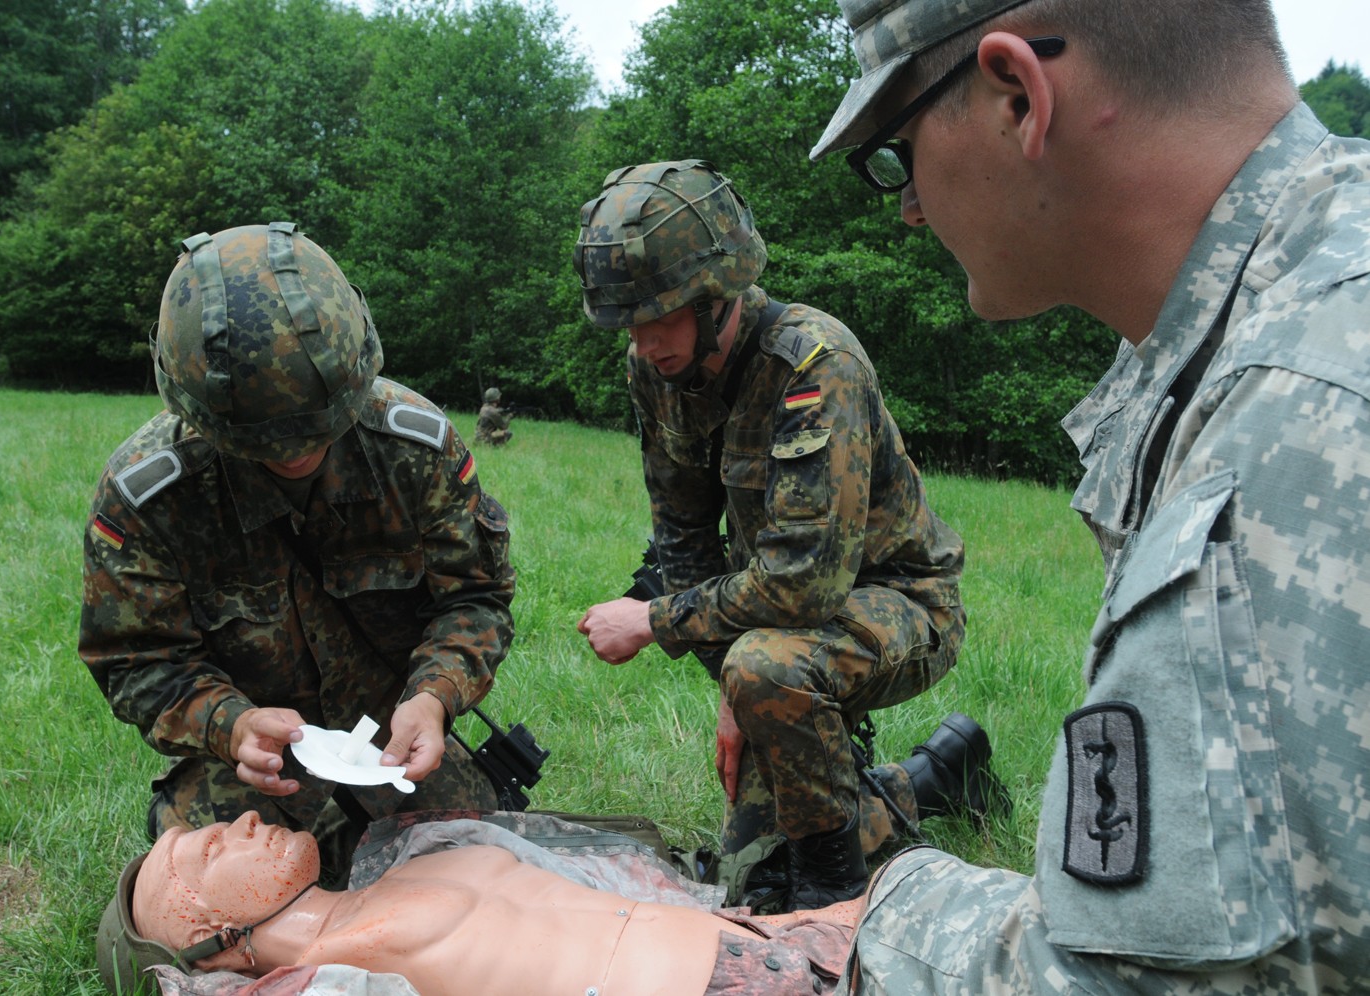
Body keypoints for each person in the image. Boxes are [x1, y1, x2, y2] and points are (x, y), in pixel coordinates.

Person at [808, 0, 1370, 990]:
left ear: (1020, 94)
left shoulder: (1299, 420)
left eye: (898, 152)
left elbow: (1133, 982)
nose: (908, 208)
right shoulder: (1299, 297)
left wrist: (876, 907)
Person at [571, 160, 1009, 912]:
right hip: (778, 634)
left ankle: (831, 891)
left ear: (717, 297)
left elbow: (804, 581)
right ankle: (939, 774)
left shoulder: (814, 365)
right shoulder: (659, 371)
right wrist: (732, 684)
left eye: (656, 319)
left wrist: (656, 624)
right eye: (629, 326)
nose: (641, 344)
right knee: (749, 871)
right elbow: (682, 538)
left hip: (901, 605)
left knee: (779, 880)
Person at [79, 222, 516, 888]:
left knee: (479, 878)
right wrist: (230, 725)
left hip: (392, 747)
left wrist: (433, 698)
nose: (293, 453)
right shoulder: (149, 497)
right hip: (256, 762)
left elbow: (475, 600)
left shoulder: (414, 450)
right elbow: (136, 660)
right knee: (210, 902)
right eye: (261, 441)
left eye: (316, 424)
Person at [96, 811, 860, 996]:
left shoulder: (411, 856)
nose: (242, 822)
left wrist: (809, 923)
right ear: (211, 935)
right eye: (208, 848)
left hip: (796, 941)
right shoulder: (323, 977)